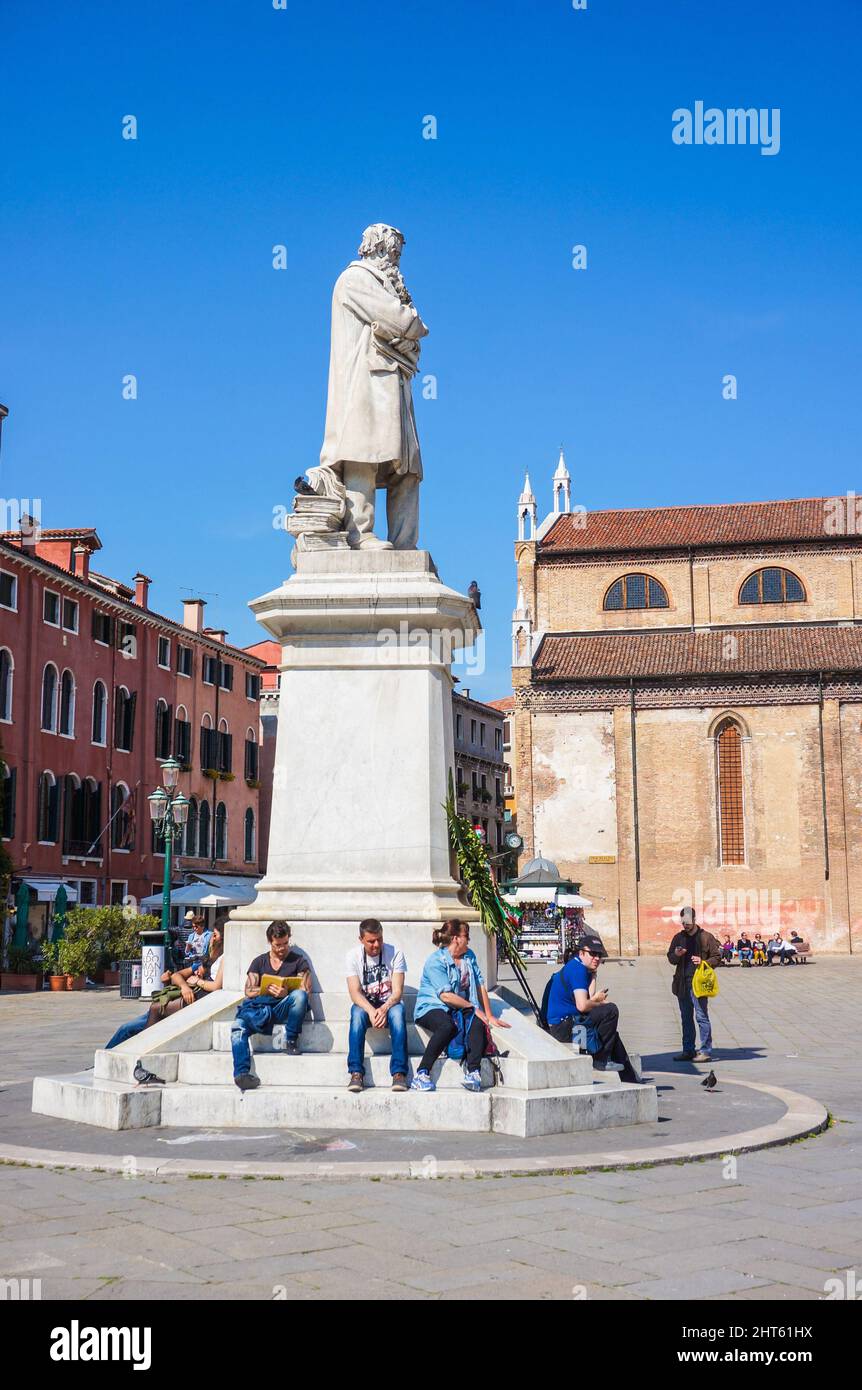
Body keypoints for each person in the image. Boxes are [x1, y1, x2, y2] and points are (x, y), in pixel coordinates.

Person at [410, 920, 510, 1093]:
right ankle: (422, 1073)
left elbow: (480, 984)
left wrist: (488, 1014)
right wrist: (473, 1007)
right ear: (456, 938)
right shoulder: (436, 961)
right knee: (446, 1026)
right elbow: (446, 996)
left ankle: (474, 1073)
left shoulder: (469, 956)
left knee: (478, 1022)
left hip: (457, 1007)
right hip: (431, 1007)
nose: (469, 940)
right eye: (467, 936)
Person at [105, 925, 225, 1050]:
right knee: (127, 1028)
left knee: (129, 1028)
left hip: (184, 1003)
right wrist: (184, 986)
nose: (211, 938)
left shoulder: (220, 961)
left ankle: (136, 1052)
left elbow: (214, 985)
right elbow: (177, 976)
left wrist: (197, 981)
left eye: (215, 935)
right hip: (177, 998)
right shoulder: (203, 961)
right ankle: (105, 1058)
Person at [544, 936, 643, 1083]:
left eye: (600, 955)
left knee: (612, 1035)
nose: (596, 958)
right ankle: (600, 1059)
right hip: (565, 1029)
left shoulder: (577, 967)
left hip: (566, 1024)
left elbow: (588, 998)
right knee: (611, 1010)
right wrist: (600, 1003)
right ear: (581, 953)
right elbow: (583, 1006)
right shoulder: (577, 970)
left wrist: (593, 977)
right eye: (593, 954)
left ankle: (630, 1080)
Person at [231, 921, 311, 1091]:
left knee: (299, 996)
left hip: (282, 1006)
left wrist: (286, 992)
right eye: (277, 945)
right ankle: (241, 1074)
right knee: (237, 1028)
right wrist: (265, 989)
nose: (282, 948)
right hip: (260, 1009)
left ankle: (290, 1039)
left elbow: (305, 989)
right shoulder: (259, 962)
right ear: (270, 942)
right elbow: (248, 990)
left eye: (285, 943)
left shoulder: (298, 961)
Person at [346, 919, 409, 1093]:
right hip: (367, 1005)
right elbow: (355, 993)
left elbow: (397, 992)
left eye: (379, 939)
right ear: (361, 939)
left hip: (389, 1003)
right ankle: (356, 1072)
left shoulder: (395, 953)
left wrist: (383, 1009)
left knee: (398, 1013)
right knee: (357, 1015)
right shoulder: (352, 956)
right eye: (371, 941)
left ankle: (399, 1073)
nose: (376, 945)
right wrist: (372, 1011)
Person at [668, 906, 721, 1063]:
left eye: (688, 922)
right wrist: (676, 955)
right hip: (682, 984)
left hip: (699, 984)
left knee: (701, 1016)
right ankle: (688, 1050)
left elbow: (717, 957)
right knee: (686, 1018)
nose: (685, 925)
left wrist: (703, 962)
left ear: (695, 920)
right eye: (683, 922)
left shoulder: (706, 937)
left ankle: (705, 1050)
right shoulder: (678, 938)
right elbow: (670, 958)